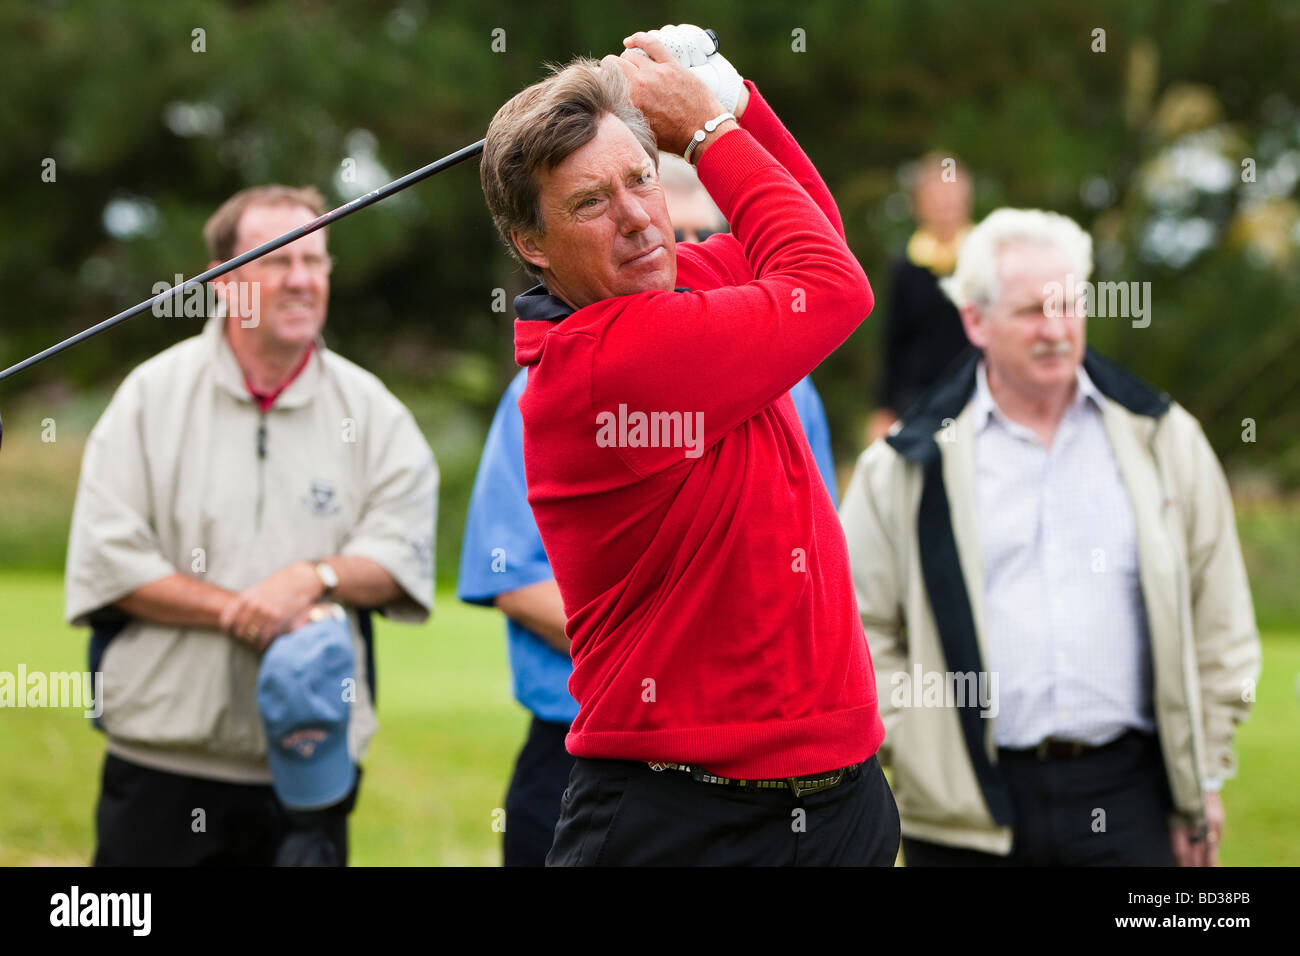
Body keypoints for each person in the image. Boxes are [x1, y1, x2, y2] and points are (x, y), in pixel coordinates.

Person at [478, 24, 898, 866]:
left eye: (642, 179)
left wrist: (737, 103)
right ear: (531, 244)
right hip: (683, 820)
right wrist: (709, 134)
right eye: (591, 203)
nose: (637, 219)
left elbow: (814, 235)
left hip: (837, 800)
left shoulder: (680, 284)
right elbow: (833, 286)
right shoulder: (606, 363)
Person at [840, 207, 1261, 866]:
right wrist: (918, 741)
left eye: (1070, 306)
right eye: (1033, 310)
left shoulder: (1163, 438)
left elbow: (1220, 617)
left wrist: (1200, 781)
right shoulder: (905, 462)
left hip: (1131, 801)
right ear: (975, 321)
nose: (1057, 329)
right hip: (965, 816)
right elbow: (855, 628)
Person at [65, 184, 438, 866]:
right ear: (224, 284)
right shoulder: (149, 399)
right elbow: (110, 561)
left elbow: (403, 550)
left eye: (316, 263)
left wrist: (313, 577)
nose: (301, 281)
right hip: (161, 759)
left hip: (310, 763)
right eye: (277, 261)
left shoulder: (374, 413)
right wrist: (243, 610)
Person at [459, 367, 840, 867]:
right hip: (579, 754)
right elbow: (513, 578)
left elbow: (815, 566)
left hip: (752, 770)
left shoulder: (787, 377)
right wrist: (683, 662)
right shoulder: (552, 379)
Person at [868, 153, 974, 443]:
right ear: (918, 205)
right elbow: (893, 343)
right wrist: (884, 409)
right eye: (936, 196)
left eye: (952, 195)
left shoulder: (984, 258)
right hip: (917, 403)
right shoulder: (905, 266)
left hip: (976, 397)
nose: (945, 204)